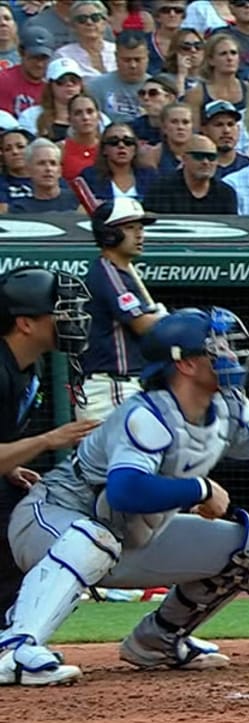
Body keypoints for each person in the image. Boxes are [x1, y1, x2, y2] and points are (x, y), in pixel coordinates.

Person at [0, 307, 249, 685]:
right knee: (94, 538)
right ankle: (14, 648)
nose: (230, 355)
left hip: (128, 538)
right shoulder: (146, 415)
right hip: (50, 520)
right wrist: (201, 488)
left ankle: (158, 640)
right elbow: (126, 490)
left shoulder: (225, 408)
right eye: (217, 348)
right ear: (186, 364)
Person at [0, 267, 98, 618]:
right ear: (25, 323)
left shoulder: (30, 365)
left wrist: (11, 467)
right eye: (58, 312)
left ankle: (12, 639)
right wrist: (48, 440)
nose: (69, 318)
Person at [77, 197, 163, 421]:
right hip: (110, 390)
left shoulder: (119, 272)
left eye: (141, 227)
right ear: (110, 234)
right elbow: (142, 324)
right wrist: (167, 319)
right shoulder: (108, 272)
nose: (140, 234)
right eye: (130, 227)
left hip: (118, 388)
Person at [143, 131, 234, 212]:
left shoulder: (225, 193)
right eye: (198, 156)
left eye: (211, 157)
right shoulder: (161, 191)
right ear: (184, 158)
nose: (205, 162)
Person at [79, 119, 155, 199]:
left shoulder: (150, 176)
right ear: (104, 149)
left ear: (135, 149)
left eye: (128, 141)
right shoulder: (89, 177)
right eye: (113, 141)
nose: (121, 145)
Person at [86, 28, 148, 122]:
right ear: (116, 57)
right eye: (126, 60)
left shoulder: (158, 87)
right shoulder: (95, 87)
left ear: (147, 57)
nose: (133, 65)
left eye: (138, 59)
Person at [9, 138, 80, 211]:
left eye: (53, 163)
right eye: (41, 163)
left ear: (60, 171)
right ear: (28, 170)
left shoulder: (79, 201)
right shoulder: (20, 208)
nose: (48, 168)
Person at [56, 0, 116, 79]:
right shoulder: (63, 55)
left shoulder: (117, 50)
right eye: (82, 19)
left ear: (104, 23)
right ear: (73, 26)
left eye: (95, 18)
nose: (89, 22)